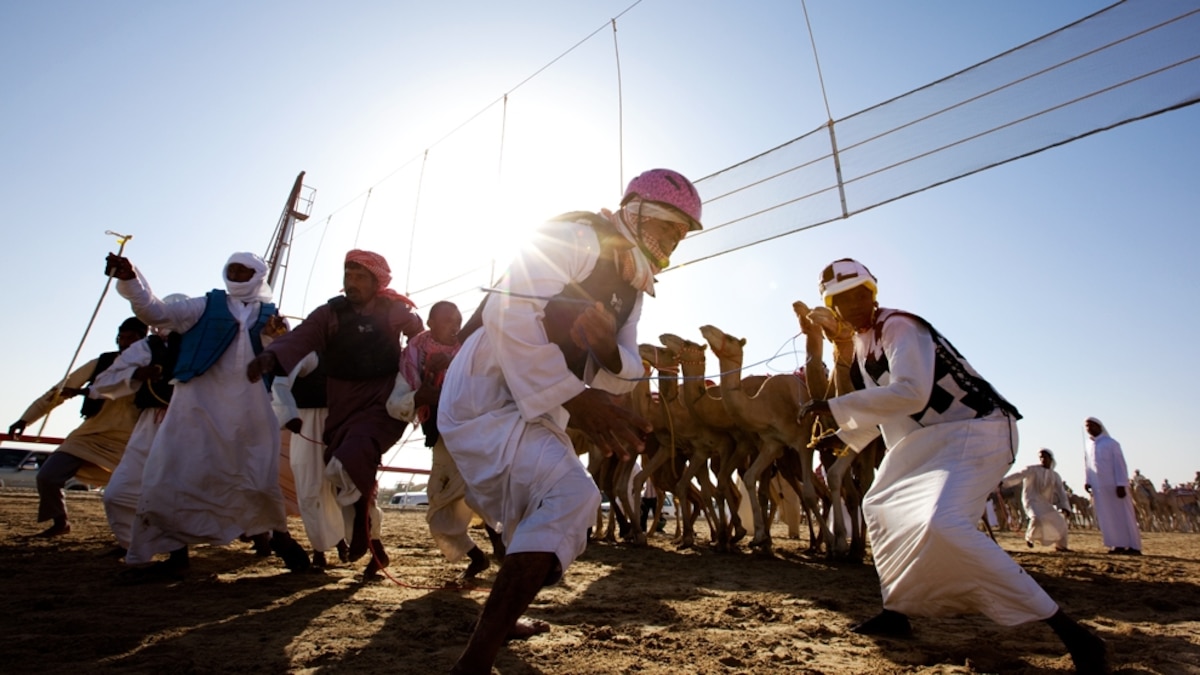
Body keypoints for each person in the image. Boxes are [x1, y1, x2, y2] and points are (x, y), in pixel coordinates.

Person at [438, 168, 702, 675]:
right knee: (572, 497)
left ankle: (502, 621)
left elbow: (626, 371)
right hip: (489, 386)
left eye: (680, 235)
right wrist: (576, 400)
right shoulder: (579, 236)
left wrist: (603, 345)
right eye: (669, 227)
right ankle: (475, 662)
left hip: (535, 400)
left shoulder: (634, 288)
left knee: (533, 515)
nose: (672, 241)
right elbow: (505, 313)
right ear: (638, 212)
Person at [798, 258, 1106, 674]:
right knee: (879, 505)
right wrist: (846, 436)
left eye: (858, 294)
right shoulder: (864, 343)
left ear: (873, 293)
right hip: (928, 439)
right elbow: (887, 409)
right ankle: (897, 611)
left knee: (944, 524)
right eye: (841, 299)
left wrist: (834, 408)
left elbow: (909, 392)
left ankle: (1072, 633)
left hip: (976, 430)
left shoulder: (901, 327)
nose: (851, 305)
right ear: (831, 307)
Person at [106, 251, 309, 579]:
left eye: (245, 270)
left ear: (259, 274)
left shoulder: (274, 318)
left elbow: (291, 362)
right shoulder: (202, 307)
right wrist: (130, 278)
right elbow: (154, 312)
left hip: (251, 410)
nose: (237, 274)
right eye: (232, 269)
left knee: (257, 481)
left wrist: (278, 338)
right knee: (171, 475)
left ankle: (280, 540)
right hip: (197, 406)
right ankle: (174, 556)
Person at [248, 249, 424, 579]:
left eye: (360, 277)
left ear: (376, 281)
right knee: (335, 468)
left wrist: (417, 344)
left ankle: (361, 531)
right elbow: (300, 338)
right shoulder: (330, 313)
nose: (352, 283)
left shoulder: (392, 310)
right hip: (343, 401)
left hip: (382, 399)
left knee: (352, 455)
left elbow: (419, 337)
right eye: (348, 276)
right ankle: (360, 530)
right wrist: (270, 358)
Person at [9, 317, 147, 537]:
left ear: (143, 339)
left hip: (132, 440)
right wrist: (26, 419)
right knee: (48, 476)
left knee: (133, 492)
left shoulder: (155, 367)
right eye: (123, 337)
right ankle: (59, 522)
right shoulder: (102, 363)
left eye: (133, 338)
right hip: (90, 435)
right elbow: (60, 390)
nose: (126, 342)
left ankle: (133, 538)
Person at [396, 300, 504, 579]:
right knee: (441, 503)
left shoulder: (469, 352)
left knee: (483, 490)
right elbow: (400, 398)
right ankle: (477, 556)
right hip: (443, 437)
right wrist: (427, 386)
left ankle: (501, 549)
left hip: (475, 431)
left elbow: (486, 386)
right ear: (431, 322)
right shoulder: (414, 354)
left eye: (458, 320)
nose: (455, 326)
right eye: (448, 320)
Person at [90, 296, 187, 556]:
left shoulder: (206, 345)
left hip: (194, 422)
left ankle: (178, 555)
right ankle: (134, 544)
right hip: (151, 423)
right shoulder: (147, 347)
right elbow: (102, 383)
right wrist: (137, 374)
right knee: (118, 493)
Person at [271, 351, 348, 569]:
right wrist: (288, 414)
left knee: (339, 482)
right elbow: (282, 379)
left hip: (339, 420)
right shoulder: (307, 352)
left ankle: (342, 541)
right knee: (310, 486)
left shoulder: (347, 347)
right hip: (308, 422)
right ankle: (319, 549)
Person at [1084, 417, 1142, 555]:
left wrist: (1121, 483)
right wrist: (1088, 481)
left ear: (1099, 426)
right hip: (1099, 488)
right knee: (1107, 517)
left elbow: (1120, 464)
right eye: (1087, 426)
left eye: (1092, 425)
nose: (1089, 428)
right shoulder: (1088, 445)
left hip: (1115, 486)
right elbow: (1088, 465)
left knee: (1124, 515)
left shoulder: (1111, 444)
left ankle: (1134, 546)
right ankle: (1117, 544)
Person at [1001, 448, 1072, 552]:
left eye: (1045, 457)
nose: (1043, 459)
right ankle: (1029, 538)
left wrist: (1065, 507)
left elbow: (1061, 492)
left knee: (1061, 521)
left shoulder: (1055, 476)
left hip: (1045, 504)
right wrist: (1003, 482)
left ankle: (1061, 546)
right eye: (1041, 457)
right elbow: (1018, 476)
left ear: (1050, 459)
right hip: (1031, 500)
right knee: (1036, 518)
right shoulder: (1032, 469)